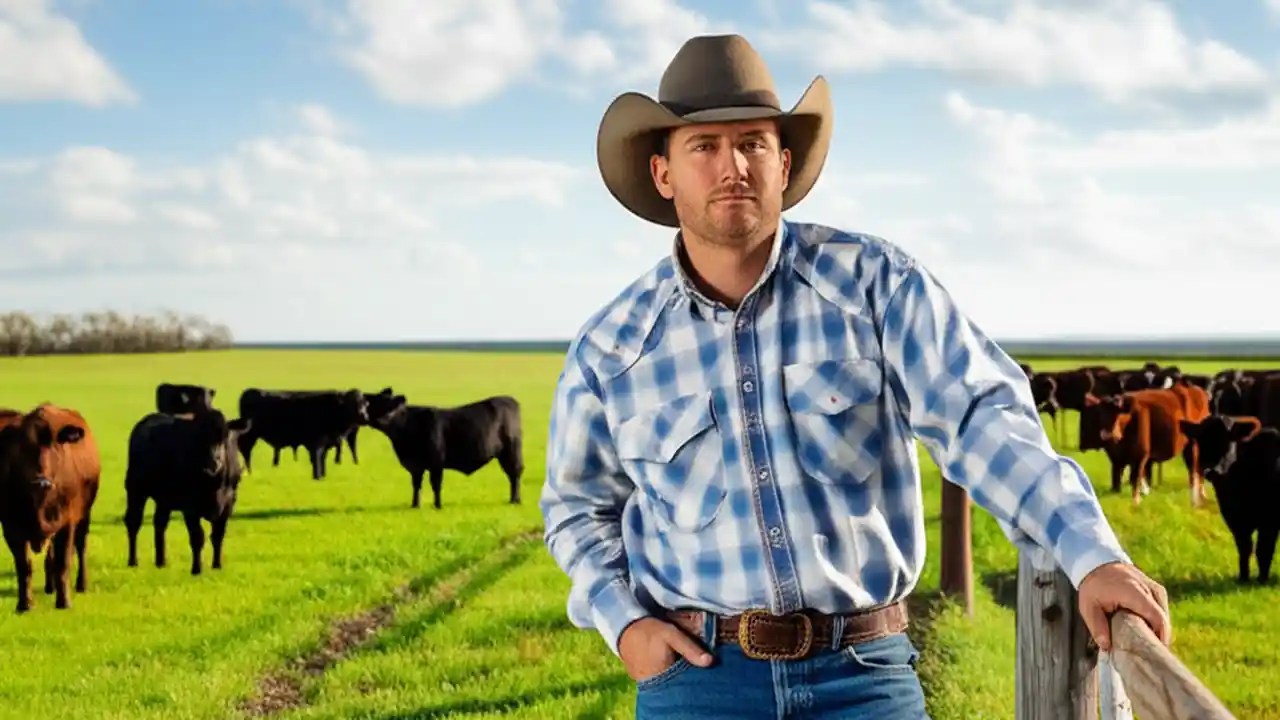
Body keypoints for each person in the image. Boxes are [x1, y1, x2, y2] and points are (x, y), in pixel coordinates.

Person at [539, 33, 1171, 719]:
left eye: (752, 143)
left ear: (783, 163)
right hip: (697, 683)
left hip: (863, 676)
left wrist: (1090, 553)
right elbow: (576, 509)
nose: (734, 167)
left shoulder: (874, 284)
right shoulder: (613, 345)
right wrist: (625, 625)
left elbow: (980, 418)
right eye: (705, 147)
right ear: (664, 173)